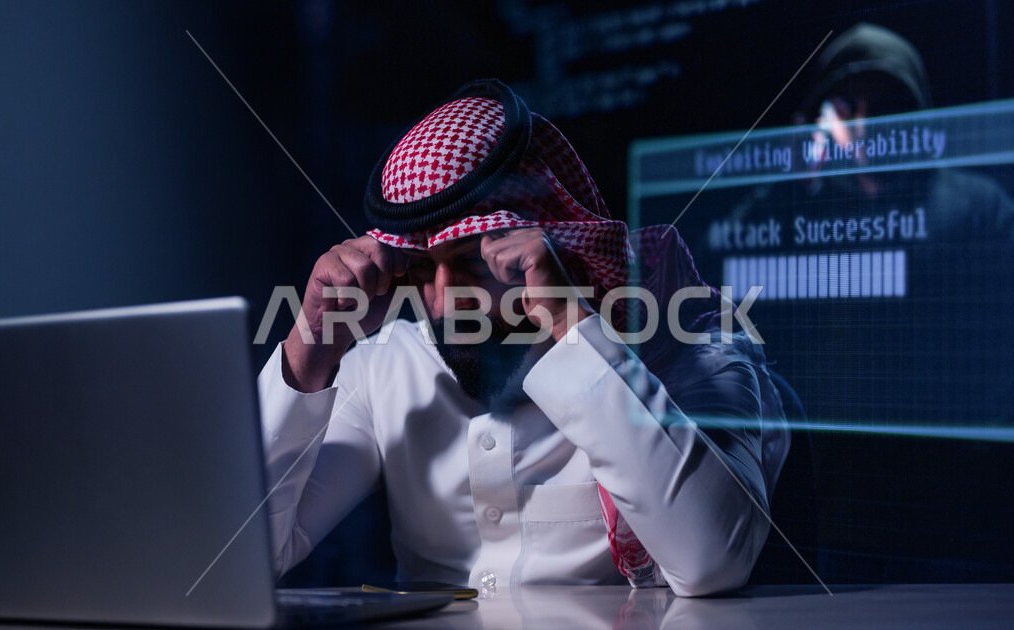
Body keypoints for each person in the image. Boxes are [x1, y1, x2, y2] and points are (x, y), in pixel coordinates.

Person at [258, 79, 788, 597]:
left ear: (549, 242)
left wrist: (569, 325)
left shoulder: (688, 343)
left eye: (470, 262)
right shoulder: (387, 365)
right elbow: (240, 560)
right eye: (421, 268)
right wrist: (311, 352)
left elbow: (712, 560)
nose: (444, 304)